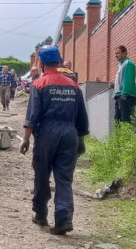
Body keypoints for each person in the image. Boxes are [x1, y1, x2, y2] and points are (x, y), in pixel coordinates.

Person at [19, 45, 89, 235]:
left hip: (47, 134)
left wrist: (26, 138)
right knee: (64, 178)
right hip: (69, 133)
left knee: (42, 173)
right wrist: (81, 140)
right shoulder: (73, 85)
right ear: (58, 61)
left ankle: (40, 214)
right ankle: (64, 218)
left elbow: (33, 115)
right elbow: (82, 117)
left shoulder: (39, 84)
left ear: (41, 62)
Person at [111, 45, 136, 124]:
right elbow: (122, 80)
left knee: (125, 119)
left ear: (124, 53)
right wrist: (114, 85)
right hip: (119, 96)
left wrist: (124, 94)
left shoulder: (128, 63)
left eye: (118, 53)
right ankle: (120, 133)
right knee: (117, 119)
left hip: (125, 96)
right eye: (115, 53)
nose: (116, 55)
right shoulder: (121, 65)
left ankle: (126, 133)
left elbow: (128, 79)